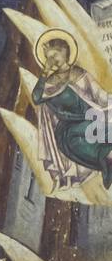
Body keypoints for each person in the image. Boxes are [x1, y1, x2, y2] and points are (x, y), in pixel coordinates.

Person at [31, 37, 112, 191]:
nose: (51, 60)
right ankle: (107, 157)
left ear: (65, 53)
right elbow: (36, 97)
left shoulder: (78, 73)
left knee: (104, 127)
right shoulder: (51, 81)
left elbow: (99, 96)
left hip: (91, 118)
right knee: (90, 137)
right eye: (48, 57)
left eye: (54, 56)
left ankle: (108, 157)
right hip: (69, 132)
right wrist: (44, 72)